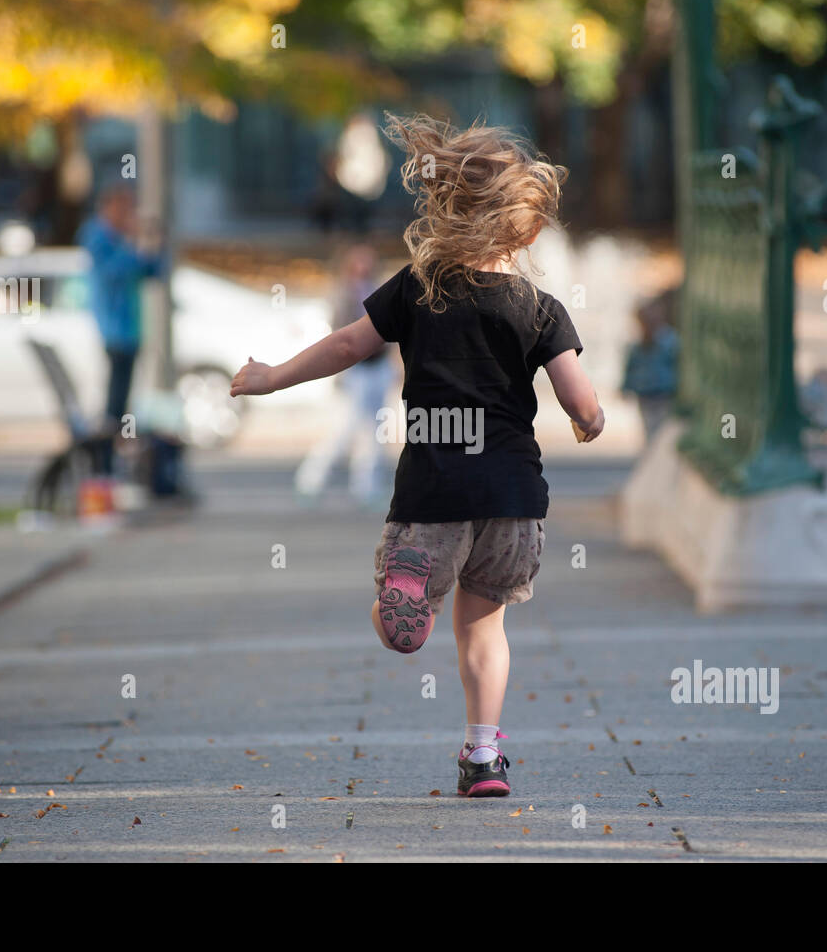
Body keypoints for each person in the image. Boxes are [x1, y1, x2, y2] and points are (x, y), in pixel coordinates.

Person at [232, 114, 604, 798]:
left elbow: (347, 347)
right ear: (524, 228)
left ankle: (400, 594)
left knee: (400, 616)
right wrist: (592, 420)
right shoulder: (541, 310)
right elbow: (580, 402)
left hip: (434, 489)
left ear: (446, 210)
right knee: (484, 630)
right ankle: (483, 756)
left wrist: (270, 376)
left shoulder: (419, 287)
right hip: (512, 499)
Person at [293, 243, 394, 505]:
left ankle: (367, 487)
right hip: (356, 369)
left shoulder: (379, 288)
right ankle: (311, 480)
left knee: (375, 430)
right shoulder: (343, 293)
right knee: (345, 429)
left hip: (378, 367)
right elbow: (341, 335)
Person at [77, 183, 164, 473]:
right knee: (114, 404)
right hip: (115, 330)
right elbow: (116, 271)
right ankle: (103, 466)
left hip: (131, 330)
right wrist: (133, 241)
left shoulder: (119, 238)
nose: (129, 215)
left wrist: (151, 241)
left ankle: (111, 463)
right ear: (109, 206)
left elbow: (154, 270)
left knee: (123, 401)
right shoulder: (99, 235)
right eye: (124, 208)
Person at [621, 289, 679, 449]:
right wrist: (625, 386)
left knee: (660, 428)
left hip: (663, 392)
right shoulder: (638, 344)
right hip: (647, 393)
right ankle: (653, 449)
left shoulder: (668, 340)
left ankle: (655, 449)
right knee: (651, 428)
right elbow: (630, 367)